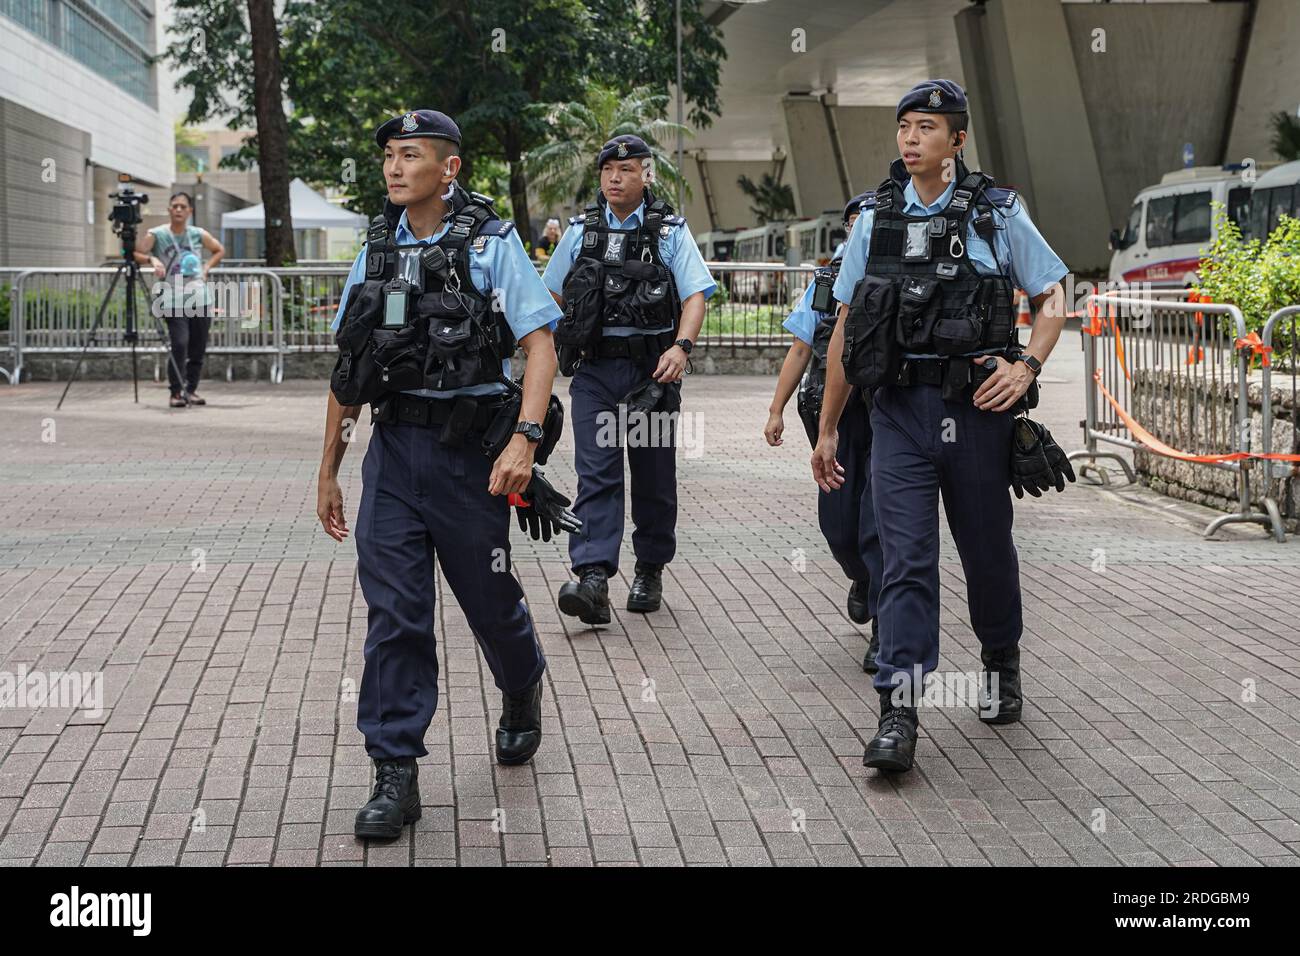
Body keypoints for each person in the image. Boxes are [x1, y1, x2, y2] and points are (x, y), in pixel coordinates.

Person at [316, 109, 567, 840]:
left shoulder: (490, 246)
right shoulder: (377, 254)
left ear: (448, 168)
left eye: (411, 155)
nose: (395, 167)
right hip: (394, 456)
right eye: (389, 154)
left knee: (489, 602)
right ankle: (395, 770)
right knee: (396, 613)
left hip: (471, 459)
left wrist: (524, 440)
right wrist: (329, 467)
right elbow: (351, 367)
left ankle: (521, 682)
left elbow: (540, 344)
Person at [813, 80, 1068, 773]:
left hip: (977, 412)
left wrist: (1029, 368)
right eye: (904, 126)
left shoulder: (995, 214)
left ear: (957, 139)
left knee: (985, 548)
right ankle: (898, 710)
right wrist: (829, 427)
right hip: (896, 413)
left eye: (926, 126)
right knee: (904, 559)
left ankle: (1000, 660)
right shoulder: (874, 220)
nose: (910, 137)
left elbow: (1052, 293)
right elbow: (846, 327)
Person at [542, 134, 716, 625]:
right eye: (607, 171)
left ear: (647, 174)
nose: (615, 178)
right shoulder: (581, 232)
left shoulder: (668, 233)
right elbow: (551, 293)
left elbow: (696, 295)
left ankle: (650, 566)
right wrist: (561, 337)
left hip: (651, 375)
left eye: (626, 170)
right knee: (596, 472)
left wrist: (681, 348)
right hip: (596, 373)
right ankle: (593, 576)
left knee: (654, 477)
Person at [764, 192, 883, 672]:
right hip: (834, 421)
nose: (861, 231)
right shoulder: (826, 284)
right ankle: (860, 577)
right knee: (838, 526)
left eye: (870, 223)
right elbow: (799, 350)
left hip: (886, 416)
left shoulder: (899, 276)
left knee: (881, 524)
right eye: (855, 223)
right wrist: (776, 409)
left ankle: (883, 622)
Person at [135, 191, 224, 407]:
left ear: (190, 211)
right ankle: (176, 392)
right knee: (179, 343)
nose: (178, 210)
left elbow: (218, 250)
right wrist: (152, 259)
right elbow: (135, 253)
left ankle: (190, 389)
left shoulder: (197, 233)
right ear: (168, 210)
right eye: (174, 206)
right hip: (172, 298)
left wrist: (206, 267)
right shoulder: (157, 234)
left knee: (197, 347)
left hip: (199, 297)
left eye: (183, 207)